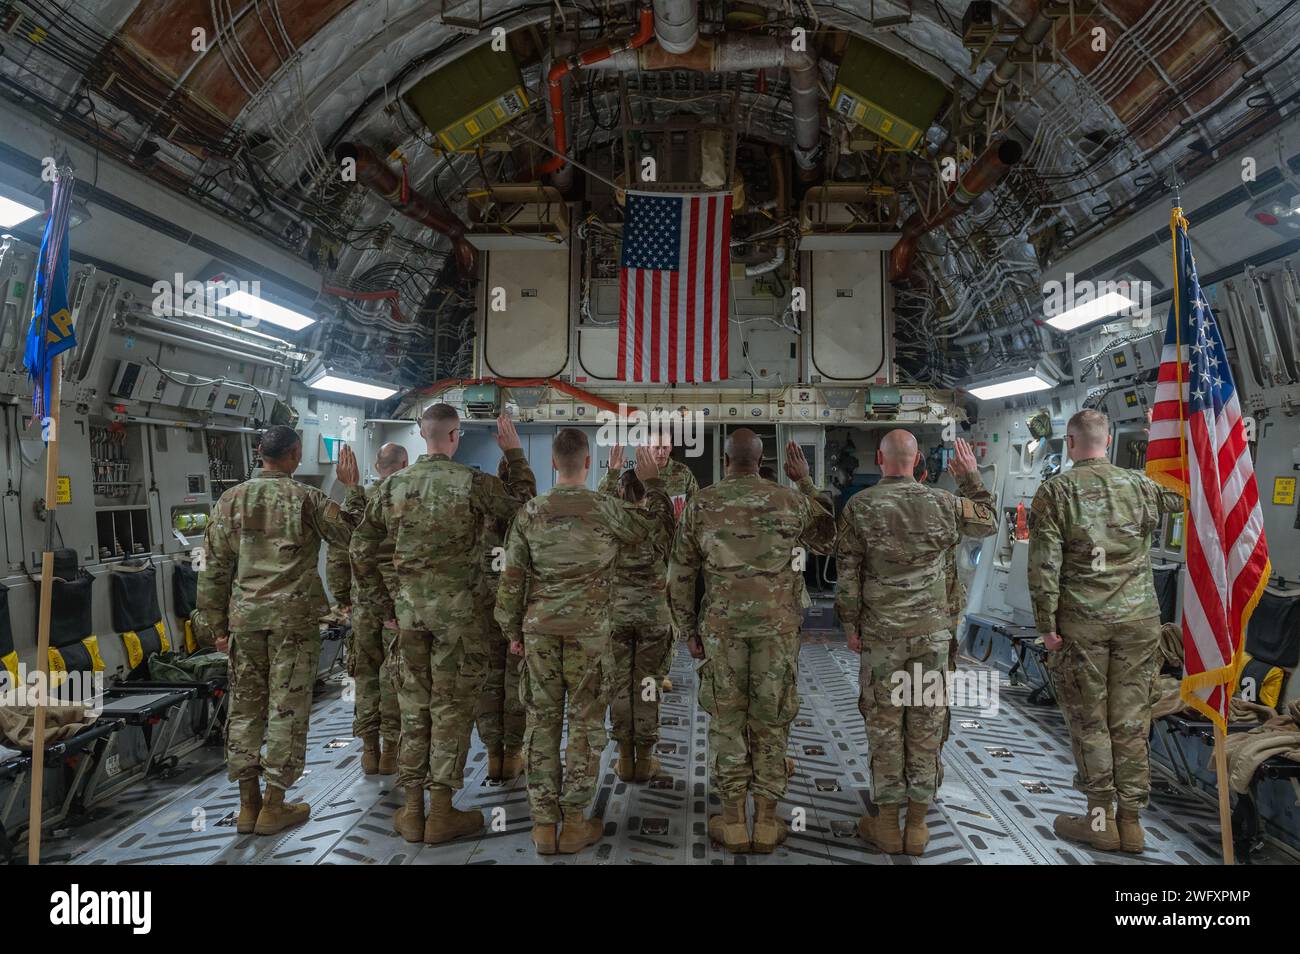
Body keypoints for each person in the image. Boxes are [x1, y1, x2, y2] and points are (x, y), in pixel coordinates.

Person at [351, 405, 535, 845]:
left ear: (421, 433)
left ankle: (412, 813)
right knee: (450, 711)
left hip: (409, 618)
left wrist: (384, 605)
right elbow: (526, 511)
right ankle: (441, 813)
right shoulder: (474, 484)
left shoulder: (393, 485)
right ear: (455, 436)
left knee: (414, 711)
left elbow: (359, 547)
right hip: (460, 622)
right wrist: (514, 456)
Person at [495, 431, 672, 855]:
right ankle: (574, 822)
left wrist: (513, 633)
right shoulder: (607, 509)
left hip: (539, 632)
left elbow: (511, 580)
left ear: (554, 464)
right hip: (590, 636)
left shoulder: (530, 513)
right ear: (588, 463)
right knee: (585, 723)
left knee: (541, 723)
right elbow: (656, 531)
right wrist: (655, 483)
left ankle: (543, 826)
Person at [668, 430, 835, 854]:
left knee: (726, 723)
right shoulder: (790, 500)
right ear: (762, 461)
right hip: (776, 632)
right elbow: (828, 536)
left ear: (726, 461)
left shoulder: (702, 504)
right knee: (771, 721)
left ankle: (731, 822)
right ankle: (764, 821)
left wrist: (687, 631)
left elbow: (681, 575)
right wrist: (806, 482)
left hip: (721, 633)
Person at [1027, 408, 1184, 853]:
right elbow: (1182, 495)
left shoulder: (1056, 492)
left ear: (1071, 444)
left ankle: (1101, 821)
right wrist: (1167, 442)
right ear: (1110, 439)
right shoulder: (1139, 485)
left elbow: (1044, 567)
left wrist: (1046, 626)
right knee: (1132, 723)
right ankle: (1132, 825)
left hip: (1083, 625)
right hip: (1139, 624)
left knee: (1091, 723)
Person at [195, 427, 364, 835]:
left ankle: (246, 806)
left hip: (245, 622)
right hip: (292, 621)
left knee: (245, 709)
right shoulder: (307, 498)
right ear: (294, 455)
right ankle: (274, 805)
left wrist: (214, 626)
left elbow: (211, 567)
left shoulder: (229, 501)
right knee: (286, 709)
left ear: (260, 454)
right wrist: (352, 489)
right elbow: (353, 534)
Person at [835, 432, 995, 856]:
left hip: (882, 637)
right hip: (932, 636)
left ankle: (887, 825)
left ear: (880, 458)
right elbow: (989, 521)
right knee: (925, 725)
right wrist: (971, 478)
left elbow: (848, 574)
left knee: (885, 726)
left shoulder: (860, 506)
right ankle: (919, 826)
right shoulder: (944, 503)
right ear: (918, 460)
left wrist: (850, 625)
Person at [597, 463, 674, 783]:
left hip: (615, 617)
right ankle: (644, 759)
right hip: (653, 619)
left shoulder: (606, 522)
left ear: (618, 492)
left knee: (619, 685)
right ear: (647, 496)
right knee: (646, 685)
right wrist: (655, 482)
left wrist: (612, 472)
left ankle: (624, 760)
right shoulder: (656, 525)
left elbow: (596, 502)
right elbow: (667, 515)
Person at [344, 441, 408, 775]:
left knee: (364, 675)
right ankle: (391, 750)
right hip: (397, 603)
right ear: (405, 462)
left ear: (377, 464)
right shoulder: (407, 498)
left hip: (363, 603)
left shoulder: (360, 499)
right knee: (394, 675)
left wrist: (343, 598)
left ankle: (369, 750)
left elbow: (343, 550)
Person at [474, 456, 527, 783]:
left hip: (481, 602)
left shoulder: (479, 510)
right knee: (514, 680)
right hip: (514, 604)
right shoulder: (524, 512)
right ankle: (512, 753)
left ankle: (493, 754)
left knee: (488, 680)